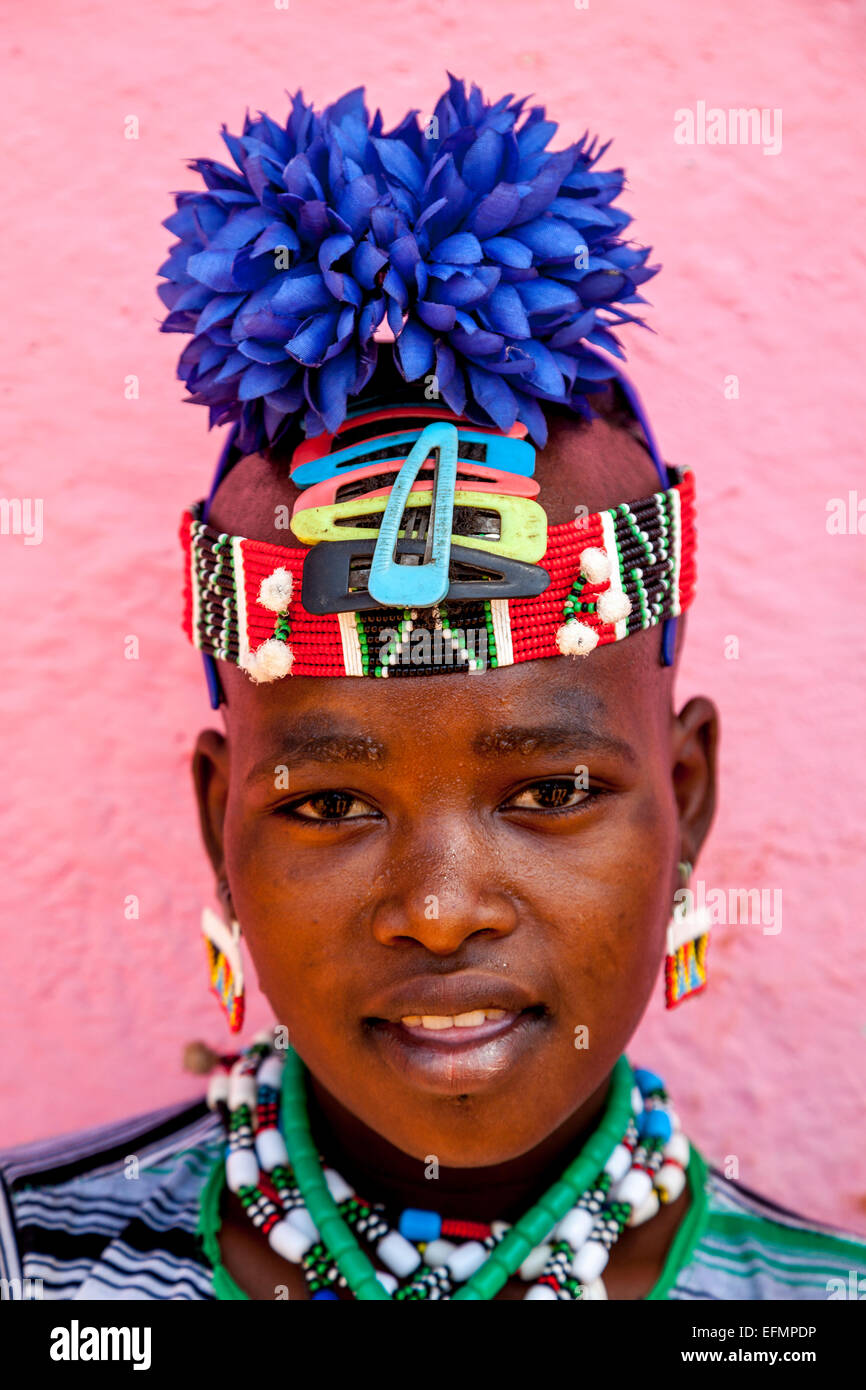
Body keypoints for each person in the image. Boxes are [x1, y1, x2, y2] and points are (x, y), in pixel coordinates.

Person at [2, 77, 864, 1303]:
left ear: (685, 799)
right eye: (330, 803)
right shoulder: (35, 1270)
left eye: (552, 787)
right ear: (216, 826)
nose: (440, 909)